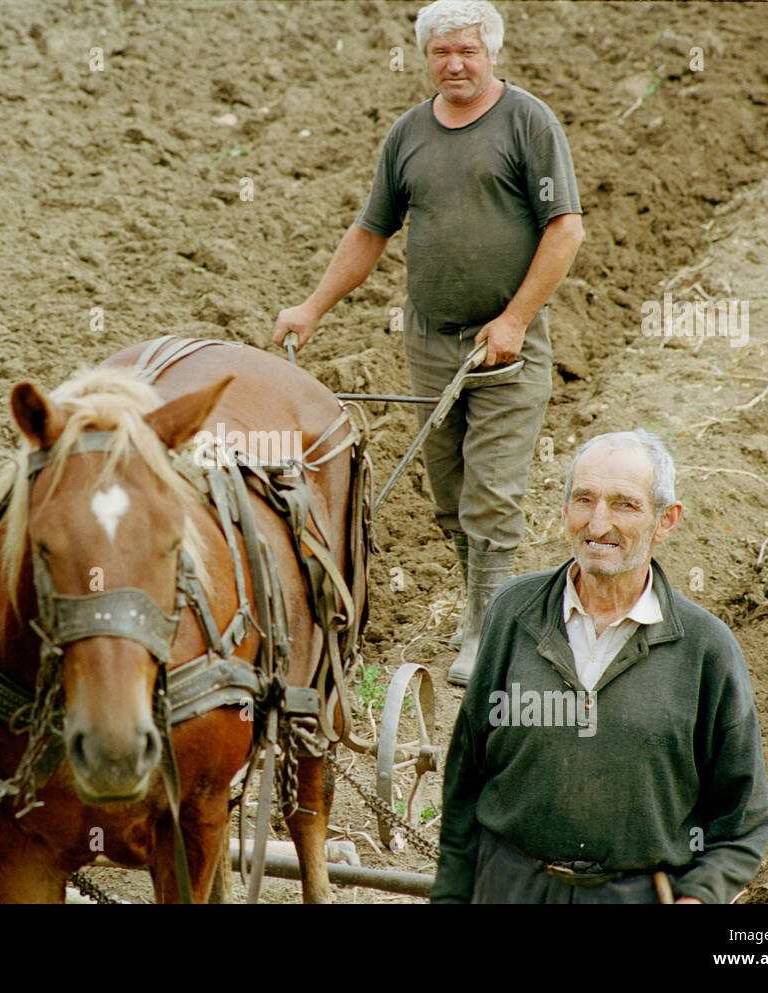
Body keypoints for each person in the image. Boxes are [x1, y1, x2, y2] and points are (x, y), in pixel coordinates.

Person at [272, 0, 584, 687]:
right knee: (449, 497)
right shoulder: (408, 134)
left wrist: (515, 319)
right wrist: (312, 308)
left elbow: (565, 230)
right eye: (442, 53)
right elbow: (370, 233)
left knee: (491, 496)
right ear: (426, 58)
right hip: (430, 342)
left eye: (468, 51)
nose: (456, 64)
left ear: (493, 53)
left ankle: (483, 631)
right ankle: (493, 605)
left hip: (507, 346)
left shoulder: (527, 122)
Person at [431, 430, 768, 903]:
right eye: (584, 499)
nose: (598, 523)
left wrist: (699, 895)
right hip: (507, 885)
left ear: (666, 520)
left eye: (625, 505)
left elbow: (741, 821)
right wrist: (451, 896)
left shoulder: (705, 648)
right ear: (564, 509)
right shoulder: (514, 613)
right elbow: (465, 777)